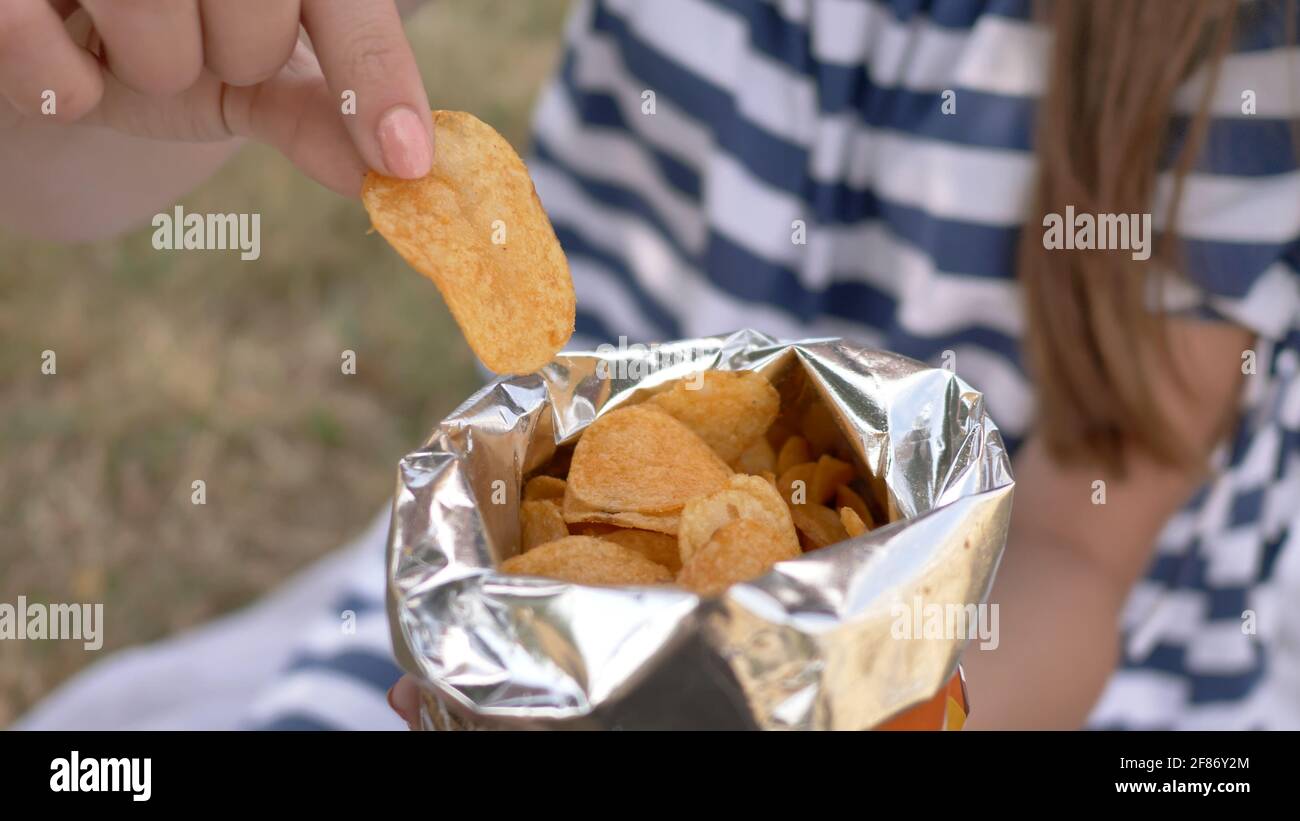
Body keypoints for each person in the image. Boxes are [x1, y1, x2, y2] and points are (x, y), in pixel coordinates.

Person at [7, 0, 1300, 731]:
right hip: (546, 632)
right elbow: (85, 154)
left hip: (1015, 674)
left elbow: (1085, 552)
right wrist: (90, 74)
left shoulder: (1223, 43)